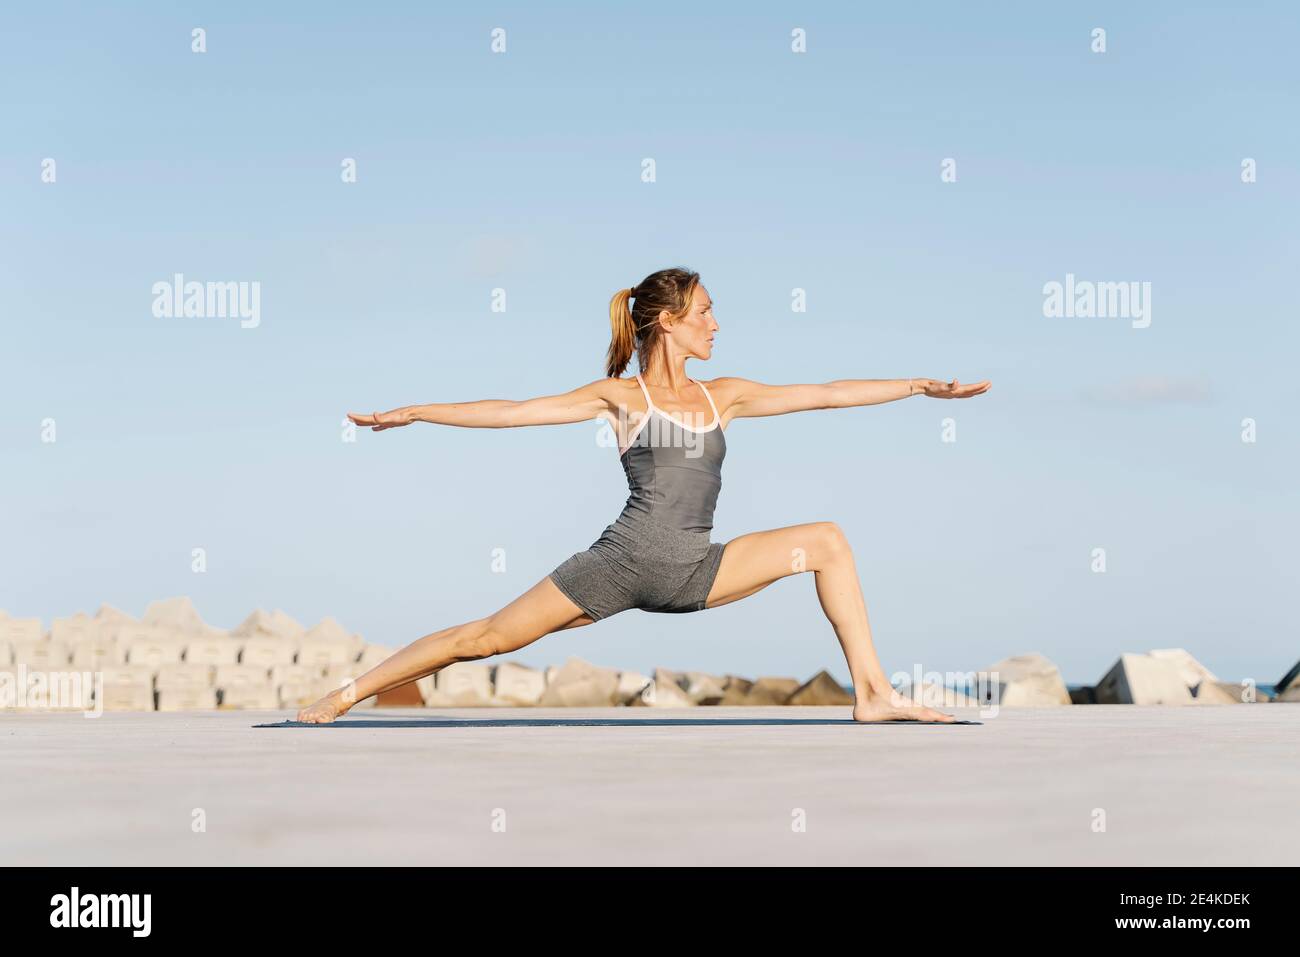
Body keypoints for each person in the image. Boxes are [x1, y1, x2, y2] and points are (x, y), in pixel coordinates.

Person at [296, 266, 991, 723]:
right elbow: (512, 411)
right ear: (668, 321)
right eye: (705, 313)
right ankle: (346, 694)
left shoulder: (726, 396)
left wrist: (916, 386)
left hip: (695, 569)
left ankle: (873, 692)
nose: (716, 324)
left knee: (828, 541)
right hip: (618, 566)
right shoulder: (620, 398)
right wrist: (418, 411)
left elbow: (826, 394)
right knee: (481, 639)